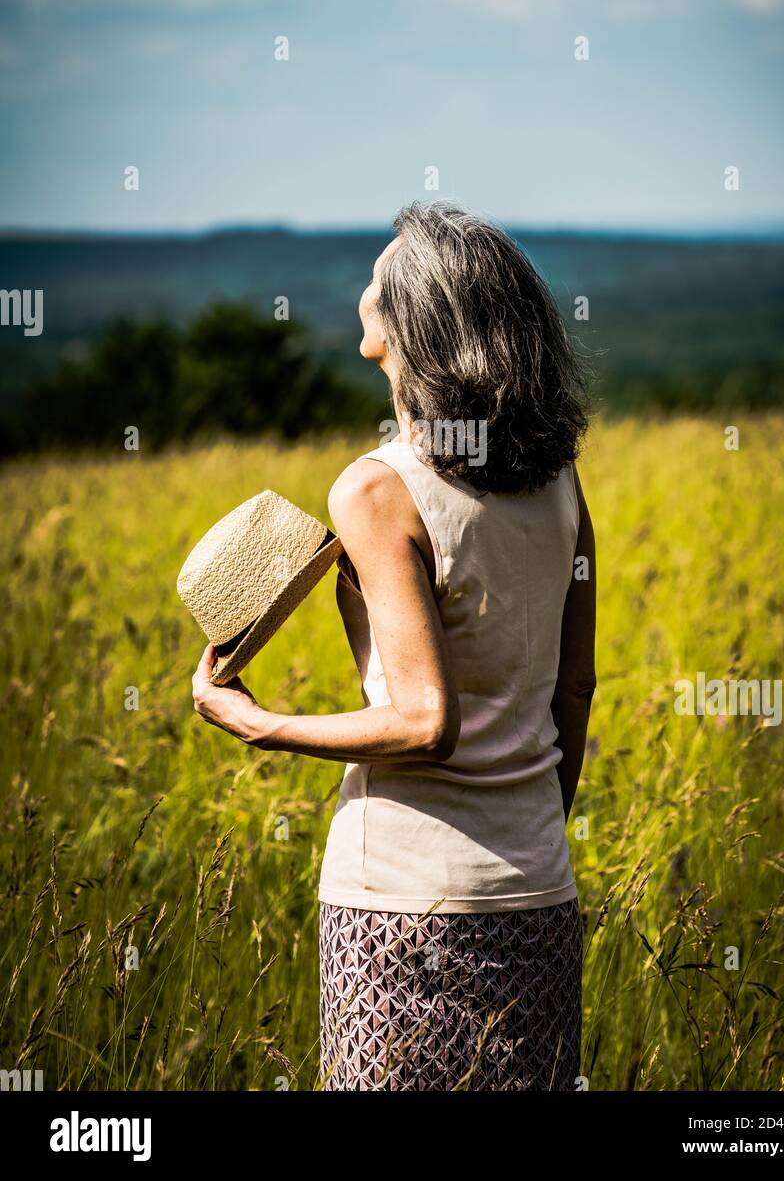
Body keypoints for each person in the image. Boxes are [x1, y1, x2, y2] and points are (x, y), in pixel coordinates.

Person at [192, 201, 597, 1091]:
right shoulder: (557, 478)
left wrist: (257, 724)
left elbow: (424, 723)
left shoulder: (377, 490)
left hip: (403, 906)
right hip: (538, 891)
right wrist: (531, 829)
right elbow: (575, 689)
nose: (362, 290)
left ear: (410, 325)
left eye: (379, 279)